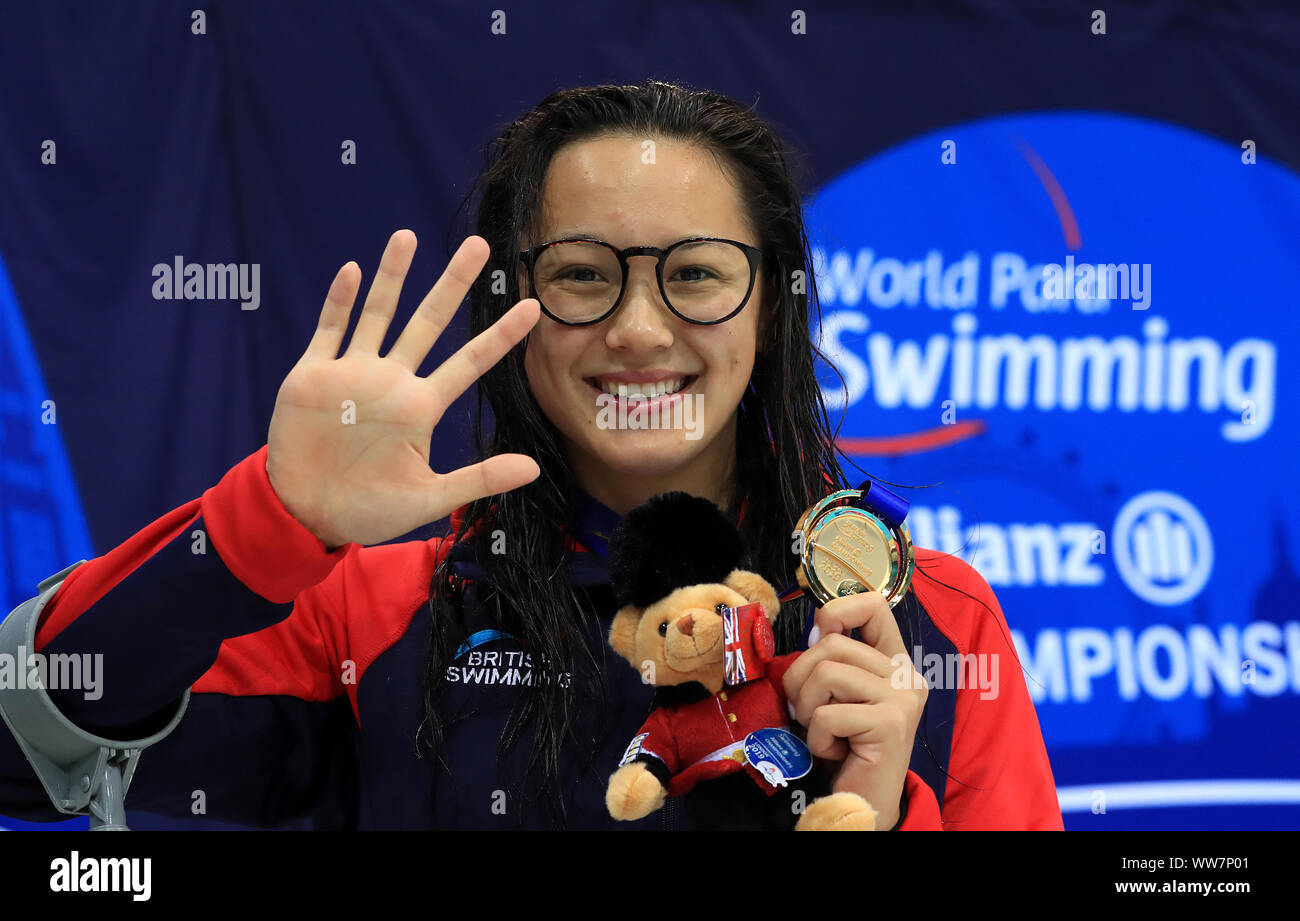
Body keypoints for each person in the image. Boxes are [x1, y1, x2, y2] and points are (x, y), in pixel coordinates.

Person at [0, 80, 1063, 830]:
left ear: (774, 310)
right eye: (583, 275)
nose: (640, 330)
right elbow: (23, 741)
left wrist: (884, 820)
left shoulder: (927, 626)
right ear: (516, 305)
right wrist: (271, 521)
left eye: (693, 274)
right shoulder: (371, 616)